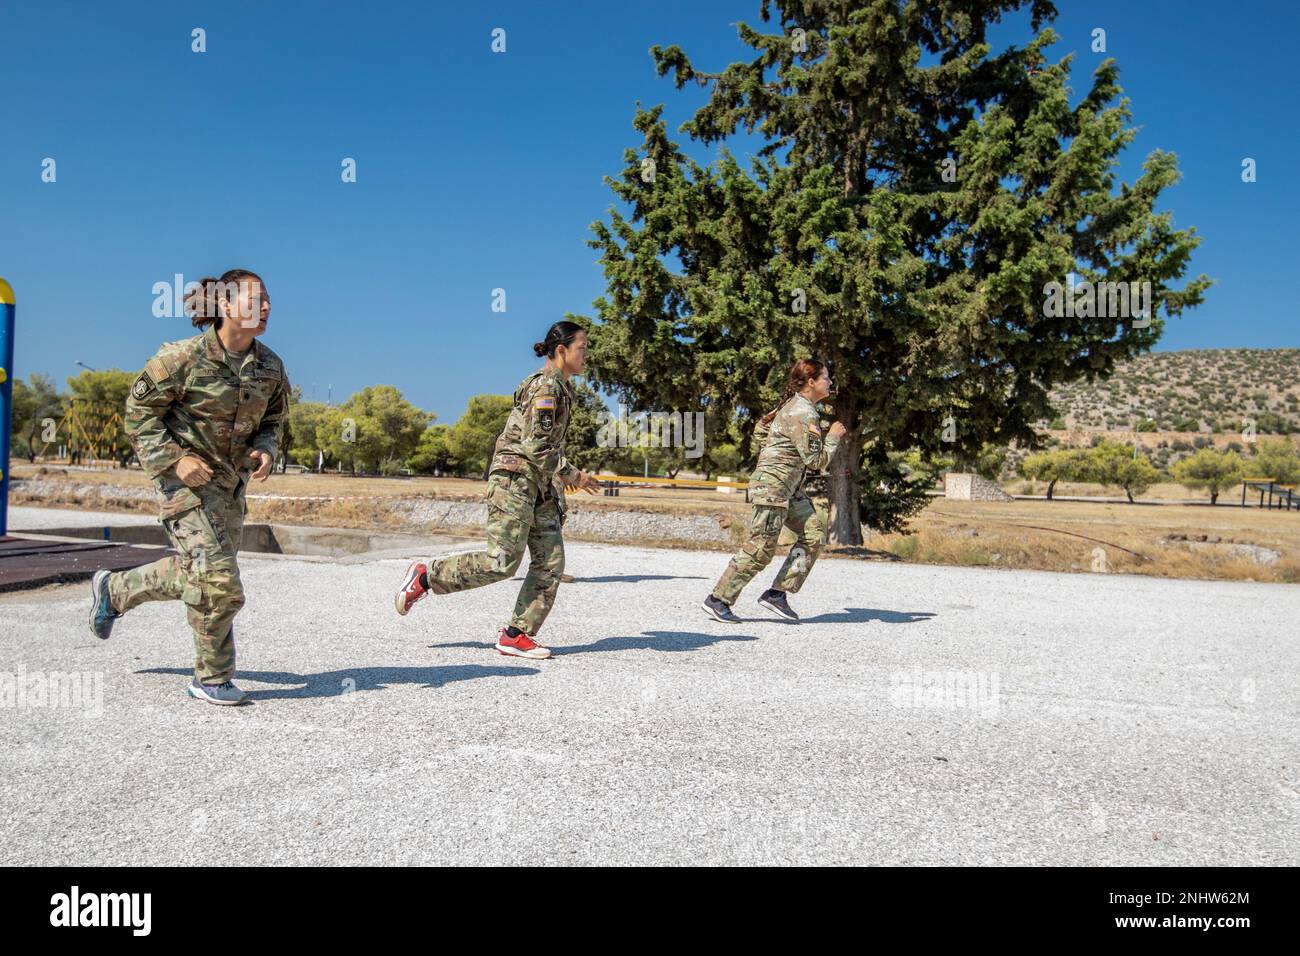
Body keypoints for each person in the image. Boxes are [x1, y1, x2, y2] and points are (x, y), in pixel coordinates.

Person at [87, 270, 290, 706]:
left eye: (269, 299)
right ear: (226, 306)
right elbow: (137, 412)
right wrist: (176, 459)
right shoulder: (182, 359)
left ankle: (115, 591)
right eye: (258, 300)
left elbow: (274, 419)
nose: (268, 307)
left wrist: (266, 448)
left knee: (199, 574)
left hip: (229, 489)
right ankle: (212, 677)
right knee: (219, 580)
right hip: (183, 486)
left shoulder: (270, 367)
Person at [394, 321, 601, 659]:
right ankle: (426, 576)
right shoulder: (546, 388)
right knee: (501, 562)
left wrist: (560, 480)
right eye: (583, 348)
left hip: (540, 484)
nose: (587, 355)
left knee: (551, 561)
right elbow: (536, 447)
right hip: (515, 479)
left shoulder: (563, 389)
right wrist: (574, 475)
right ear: (561, 350)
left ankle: (516, 634)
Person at [703, 359, 846, 623]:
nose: (830, 382)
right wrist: (834, 436)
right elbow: (817, 461)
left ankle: (777, 594)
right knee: (761, 548)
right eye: (826, 378)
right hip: (773, 489)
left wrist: (776, 451)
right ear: (811, 382)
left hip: (788, 490)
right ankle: (718, 599)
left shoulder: (793, 406)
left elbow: (761, 430)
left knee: (813, 536)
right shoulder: (803, 412)